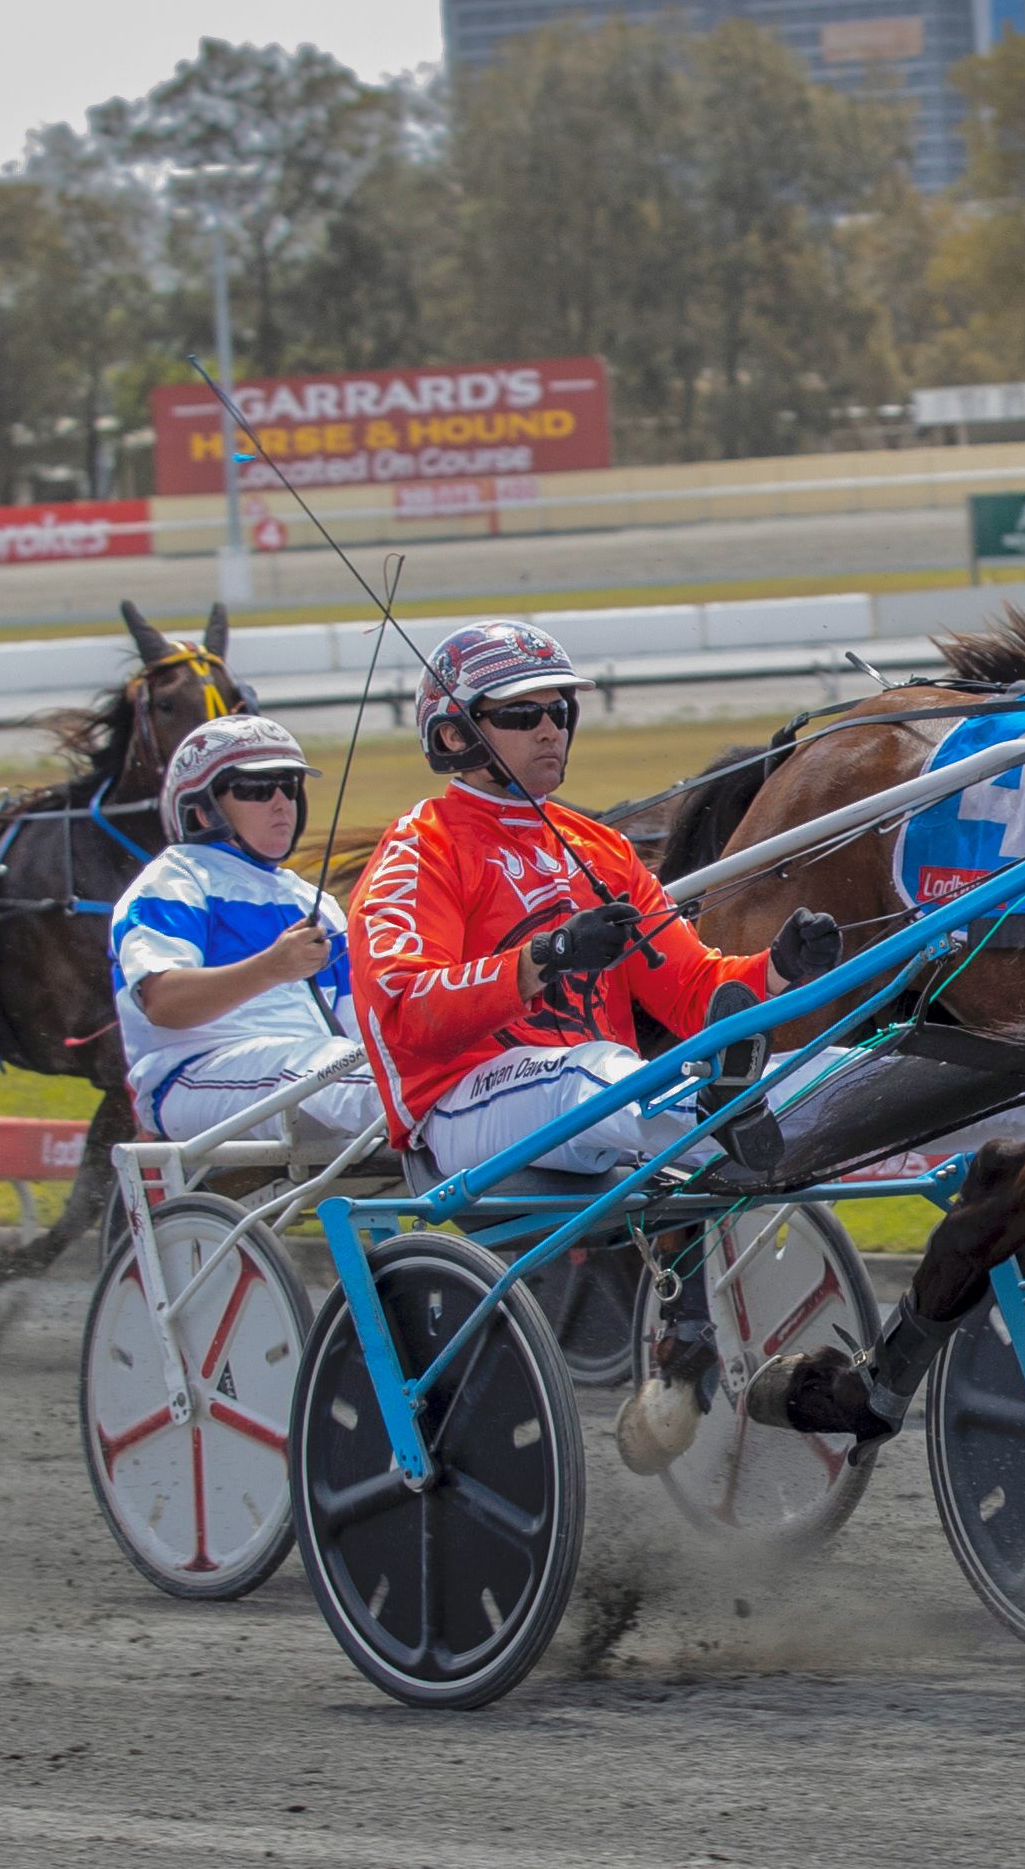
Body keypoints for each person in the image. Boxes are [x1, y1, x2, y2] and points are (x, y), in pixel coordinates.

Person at [347, 620, 847, 1472]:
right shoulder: (418, 850)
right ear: (456, 734)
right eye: (522, 713)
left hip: (596, 1105)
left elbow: (693, 989)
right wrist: (543, 960)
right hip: (465, 1108)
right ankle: (713, 1110)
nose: (551, 728)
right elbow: (401, 1006)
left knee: (794, 1074)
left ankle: (748, 1115)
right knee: (603, 1076)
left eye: (561, 710)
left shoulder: (597, 851)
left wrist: (775, 972)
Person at [111, 714, 376, 1145]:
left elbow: (358, 1026)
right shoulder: (174, 882)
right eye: (255, 790)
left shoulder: (315, 904)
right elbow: (163, 1003)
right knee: (325, 1069)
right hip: (192, 1078)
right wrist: (270, 968)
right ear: (202, 809)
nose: (280, 803)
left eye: (289, 787)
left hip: (309, 1073)